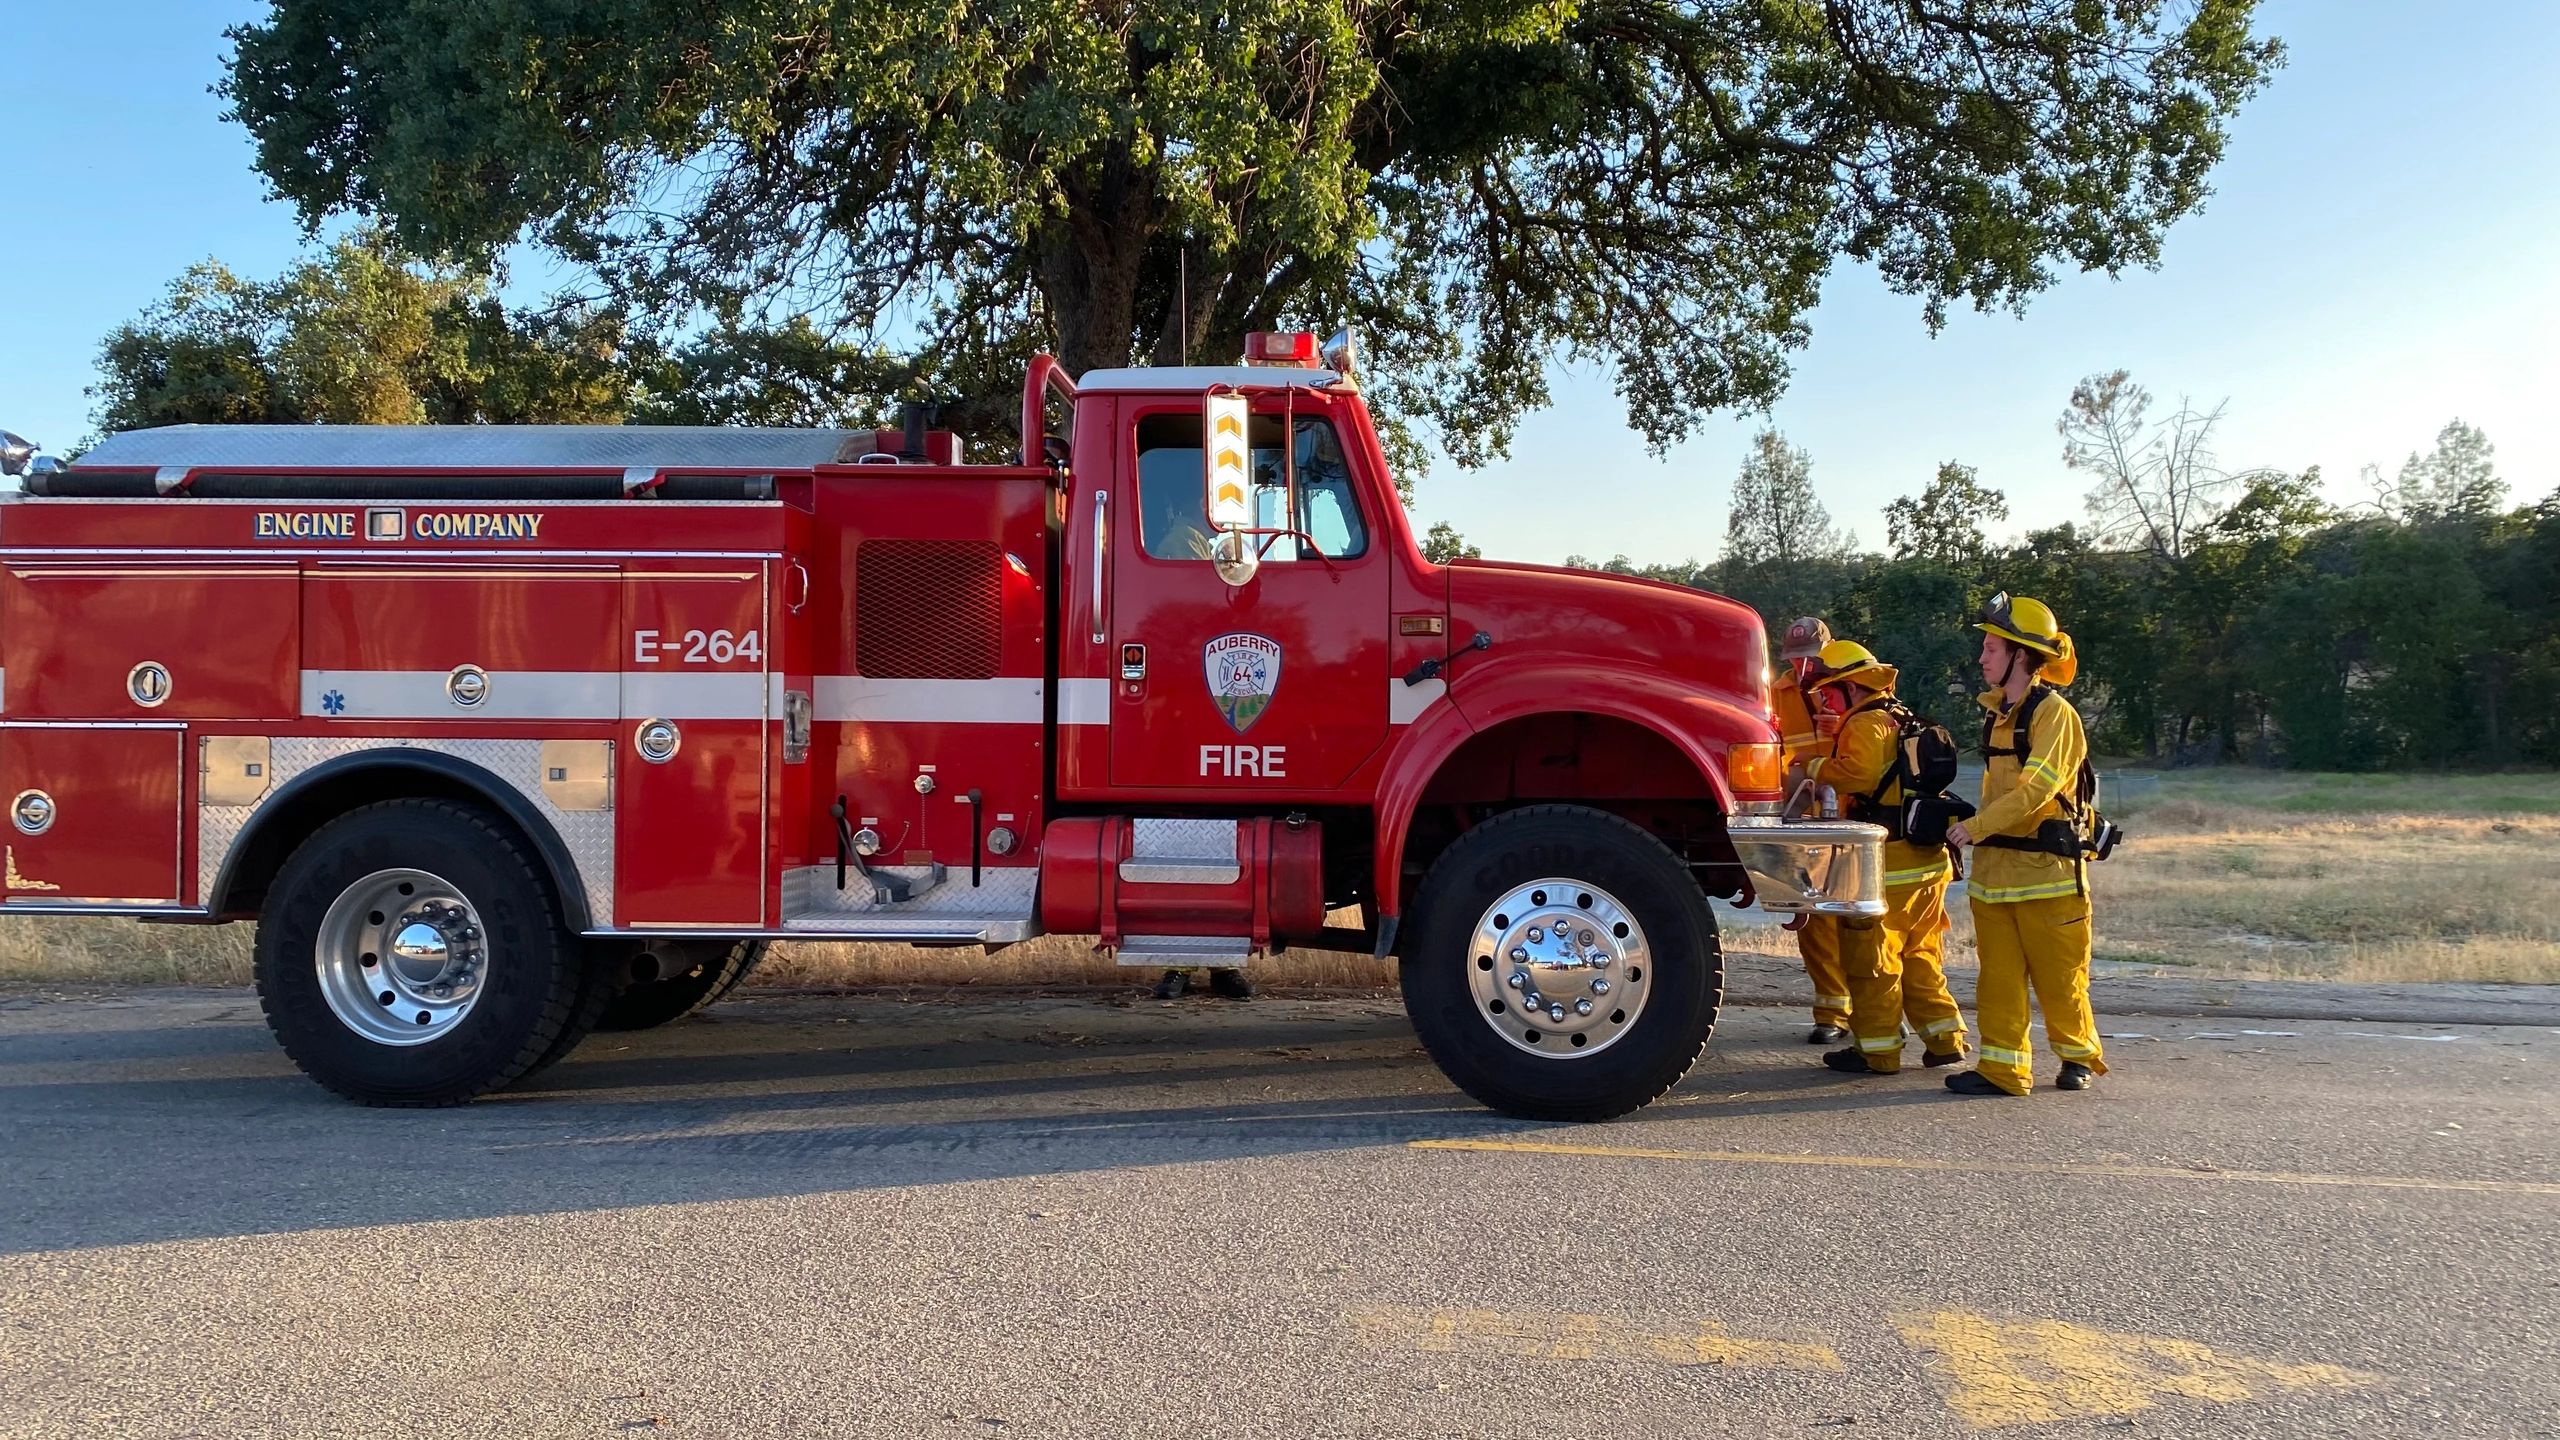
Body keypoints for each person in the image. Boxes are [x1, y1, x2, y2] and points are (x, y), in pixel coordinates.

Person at [1944, 593, 2106, 1097]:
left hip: (2047, 877)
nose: (1981, 658)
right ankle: (2003, 1070)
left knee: (2060, 979)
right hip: (1996, 877)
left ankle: (2077, 1057)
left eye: (1991, 649)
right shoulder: (1998, 714)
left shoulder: (2055, 714)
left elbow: (2036, 791)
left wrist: (1976, 827)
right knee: (1998, 980)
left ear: (2021, 655)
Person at [1796, 641, 1969, 1075]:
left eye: (1831, 691)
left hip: (1889, 864)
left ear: (1853, 687)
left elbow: (1860, 774)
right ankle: (1945, 1039)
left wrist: (1812, 766)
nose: (1826, 701)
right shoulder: (1900, 716)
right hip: (1927, 860)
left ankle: (1877, 1051)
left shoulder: (1864, 723)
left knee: (1872, 959)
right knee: (1920, 953)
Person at [1771, 616, 1851, 1044]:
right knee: (1813, 920)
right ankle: (1831, 1014)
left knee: (1859, 920)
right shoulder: (1776, 693)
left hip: (1850, 816)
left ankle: (1874, 1013)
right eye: (1795, 659)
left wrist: (1840, 727)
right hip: (1802, 816)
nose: (1802, 667)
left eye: (1810, 659)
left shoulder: (1852, 685)